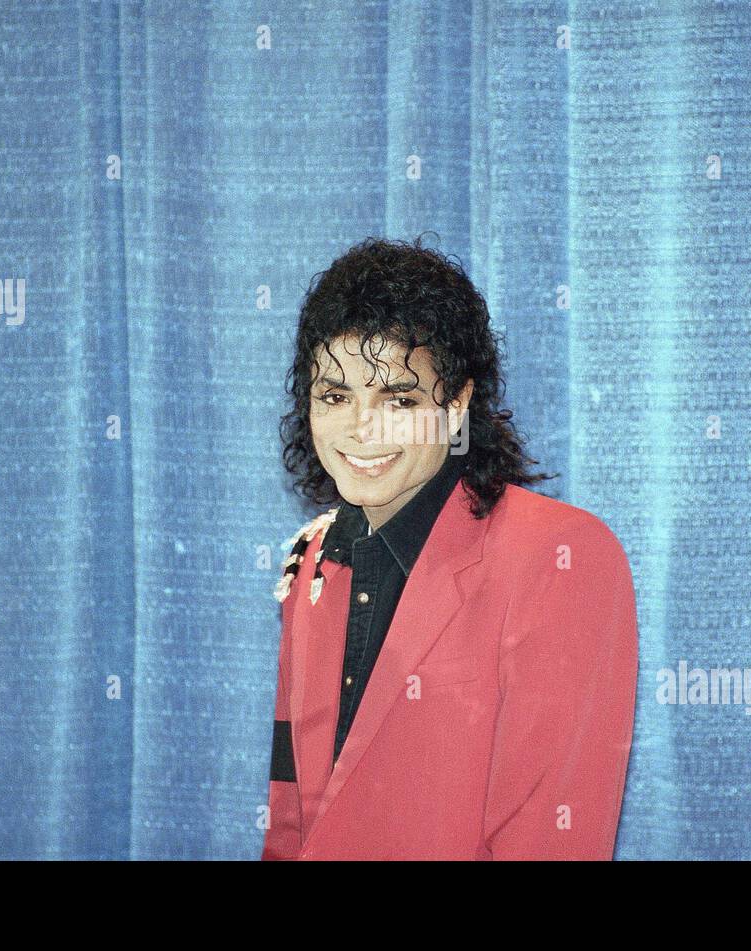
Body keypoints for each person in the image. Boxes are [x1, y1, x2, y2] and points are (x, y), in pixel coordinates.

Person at [264, 235, 637, 860]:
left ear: (456, 404)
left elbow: (550, 841)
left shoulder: (560, 558)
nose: (362, 428)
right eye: (336, 396)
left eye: (399, 399)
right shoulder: (315, 562)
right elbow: (290, 826)